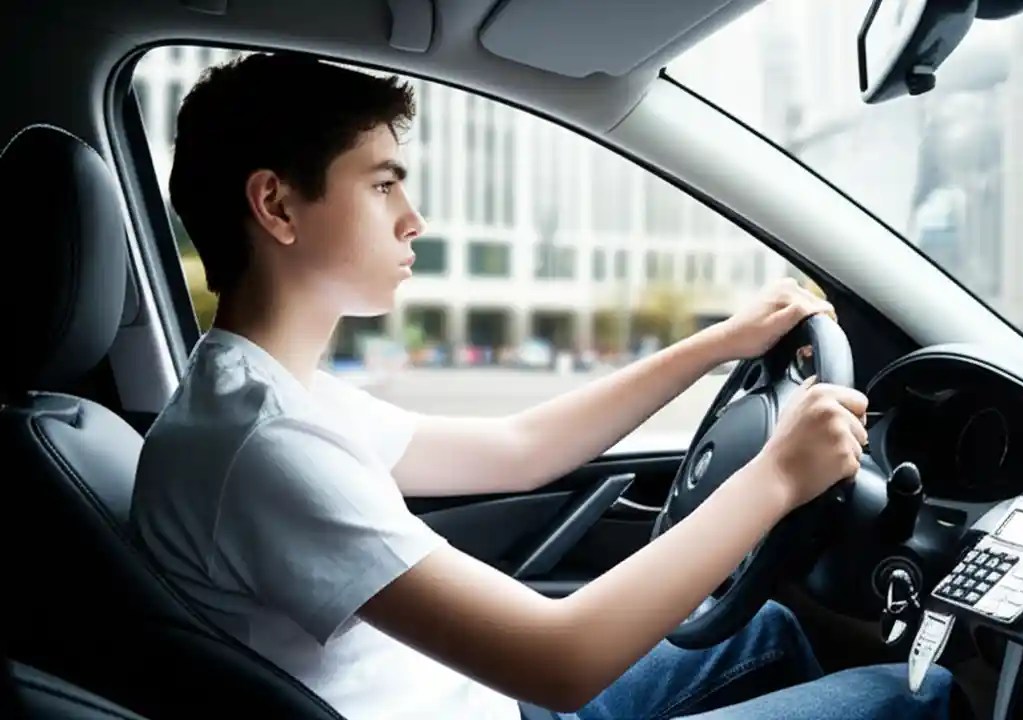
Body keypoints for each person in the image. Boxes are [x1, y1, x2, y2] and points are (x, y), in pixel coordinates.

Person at [130, 52, 953, 720]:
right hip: (520, 696)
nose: (413, 217)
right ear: (276, 205)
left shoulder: (261, 392)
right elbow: (560, 662)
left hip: (487, 702)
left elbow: (521, 451)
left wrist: (719, 344)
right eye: (383, 184)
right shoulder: (264, 447)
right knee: (916, 695)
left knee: (764, 629)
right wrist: (777, 477)